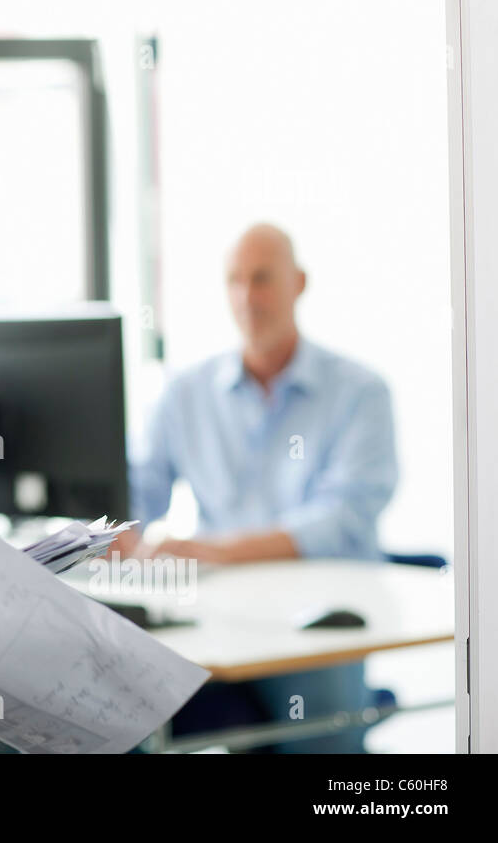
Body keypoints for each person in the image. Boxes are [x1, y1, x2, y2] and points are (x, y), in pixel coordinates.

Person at [117, 223, 398, 752]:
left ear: (299, 283)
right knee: (112, 708)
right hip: (216, 617)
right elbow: (138, 491)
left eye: (263, 279)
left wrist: (213, 550)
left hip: (321, 620)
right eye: (235, 281)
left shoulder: (360, 392)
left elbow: (342, 518)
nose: (248, 297)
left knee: (319, 733)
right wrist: (103, 532)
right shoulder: (186, 394)